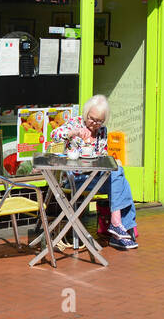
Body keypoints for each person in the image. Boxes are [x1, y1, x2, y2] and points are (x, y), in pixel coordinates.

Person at [53, 95, 138, 250]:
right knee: (121, 181)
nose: (95, 124)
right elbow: (55, 135)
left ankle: (117, 224)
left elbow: (102, 157)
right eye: (92, 119)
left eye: (99, 121)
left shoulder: (102, 131)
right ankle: (122, 227)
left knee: (118, 172)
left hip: (94, 178)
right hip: (75, 180)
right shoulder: (75, 123)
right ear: (86, 114)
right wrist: (75, 133)